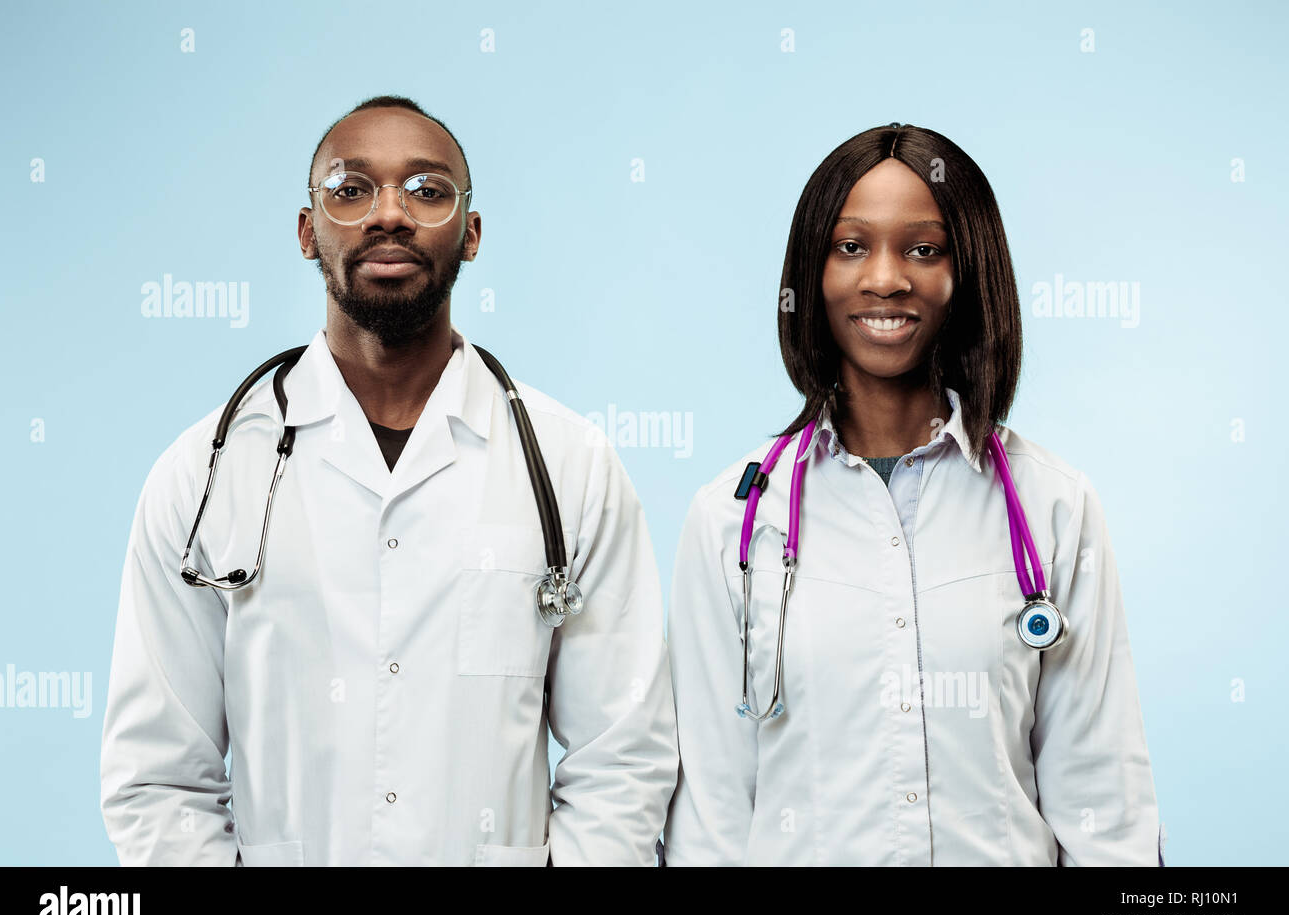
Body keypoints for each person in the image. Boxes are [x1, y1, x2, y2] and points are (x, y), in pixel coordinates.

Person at [100, 95, 677, 866]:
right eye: (350, 189)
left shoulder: (571, 465)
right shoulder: (203, 475)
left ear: (471, 234)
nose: (391, 214)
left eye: (428, 191)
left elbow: (624, 760)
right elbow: (159, 781)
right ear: (308, 231)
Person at [663, 124, 1162, 866]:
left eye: (924, 249)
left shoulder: (1054, 507)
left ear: (969, 272)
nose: (886, 279)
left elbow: (1102, 802)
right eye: (851, 246)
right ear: (812, 273)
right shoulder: (732, 520)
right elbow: (713, 815)